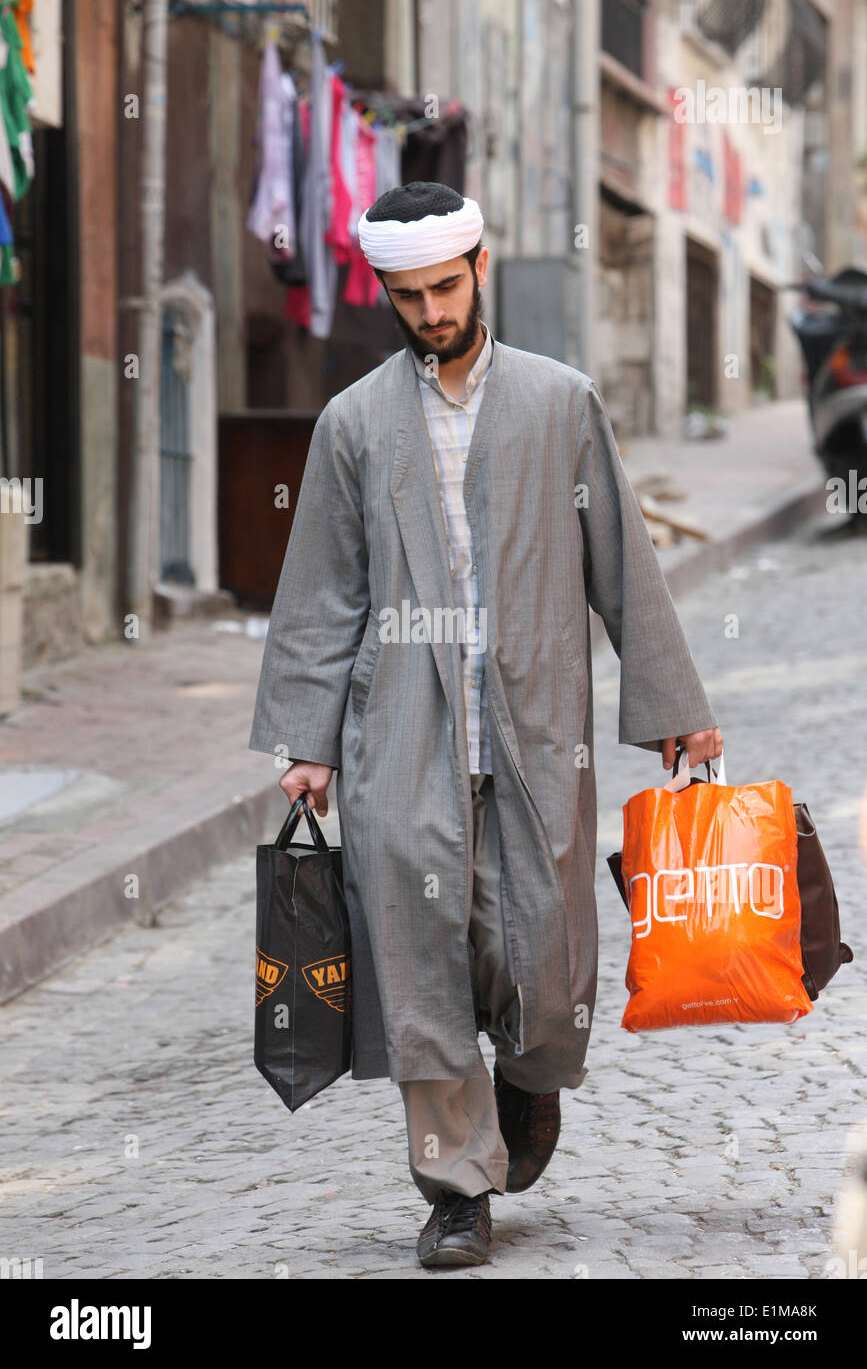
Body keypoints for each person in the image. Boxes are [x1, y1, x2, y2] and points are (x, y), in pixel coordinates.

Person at [248, 180, 723, 1268]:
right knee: (417, 964)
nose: (430, 311)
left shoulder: (562, 403)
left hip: (536, 731)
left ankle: (529, 1076)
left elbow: (624, 567)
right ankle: (455, 1188)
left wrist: (674, 711)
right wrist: (310, 740)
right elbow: (323, 588)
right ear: (388, 293)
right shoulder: (354, 424)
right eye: (407, 296)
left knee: (545, 961)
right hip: (401, 744)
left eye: (445, 288)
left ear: (482, 267)